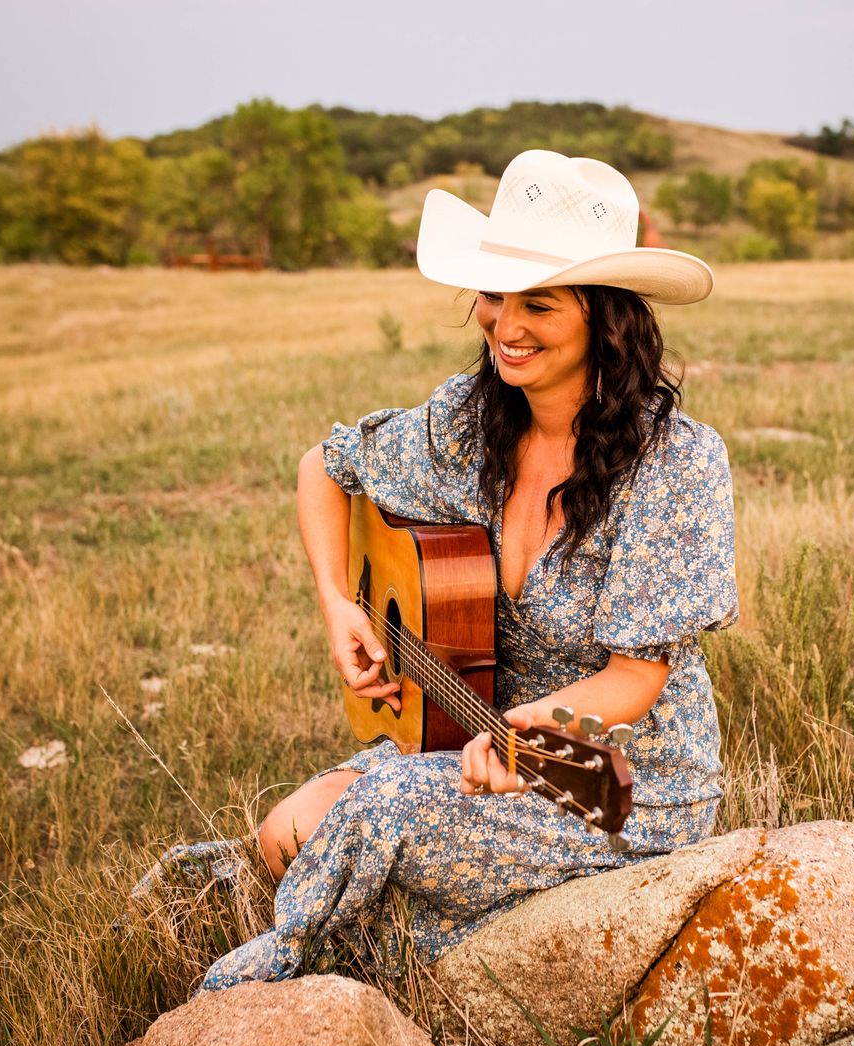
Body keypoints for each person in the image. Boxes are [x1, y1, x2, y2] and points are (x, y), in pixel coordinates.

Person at [198, 149, 738, 991]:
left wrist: (525, 735)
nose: (503, 324)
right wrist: (339, 604)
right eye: (493, 294)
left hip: (618, 778)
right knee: (284, 835)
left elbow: (634, 679)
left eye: (538, 303)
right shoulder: (468, 420)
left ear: (606, 318)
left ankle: (337, 959)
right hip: (474, 729)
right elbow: (323, 467)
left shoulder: (674, 463)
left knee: (374, 814)